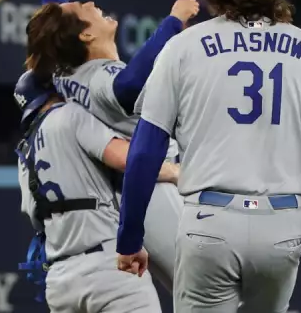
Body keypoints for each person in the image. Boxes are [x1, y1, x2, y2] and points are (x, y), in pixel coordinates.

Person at [116, 0, 301, 313]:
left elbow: (145, 151)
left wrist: (130, 237)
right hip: (281, 226)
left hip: (208, 222)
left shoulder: (183, 48)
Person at [26, 0, 211, 290]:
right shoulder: (99, 79)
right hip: (155, 191)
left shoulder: (67, 72)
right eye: (85, 10)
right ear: (83, 37)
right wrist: (172, 22)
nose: (91, 2)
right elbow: (127, 87)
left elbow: (56, 9)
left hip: (145, 188)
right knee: (207, 291)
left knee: (208, 292)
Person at [13, 71, 180, 312]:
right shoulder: (68, 115)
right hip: (107, 267)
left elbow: (32, 216)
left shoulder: (23, 153)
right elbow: (131, 160)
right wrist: (176, 172)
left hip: (60, 281)